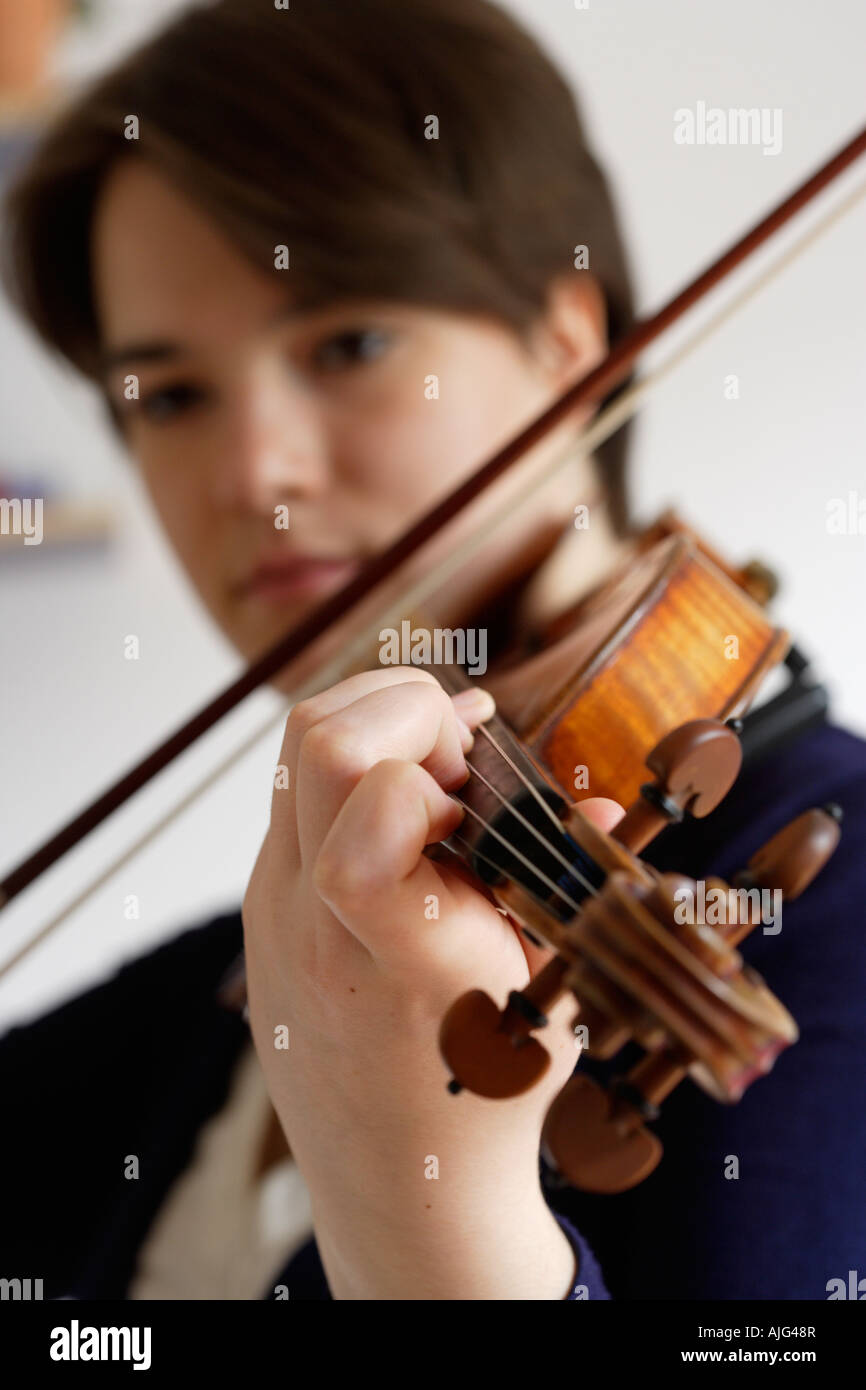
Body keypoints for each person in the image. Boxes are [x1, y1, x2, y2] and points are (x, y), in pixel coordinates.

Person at [1, 0, 864, 1301]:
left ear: (570, 344)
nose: (254, 474)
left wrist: (425, 1223)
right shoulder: (230, 982)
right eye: (169, 394)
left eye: (347, 343)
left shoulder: (833, 914)